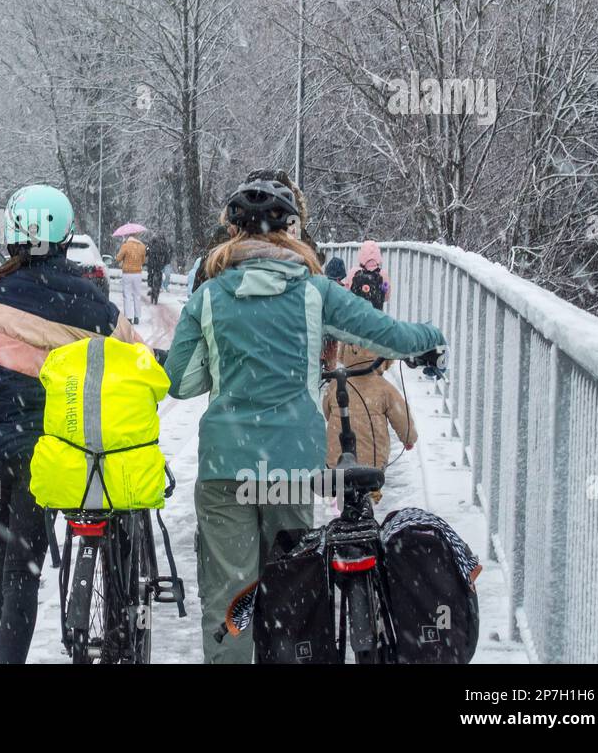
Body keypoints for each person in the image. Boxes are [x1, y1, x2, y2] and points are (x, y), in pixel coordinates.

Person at [162, 177, 445, 664]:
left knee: (231, 604)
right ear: (293, 231)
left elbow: (182, 383)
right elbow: (386, 334)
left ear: (232, 232)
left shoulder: (207, 297)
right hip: (289, 466)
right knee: (287, 595)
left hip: (226, 465)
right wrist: (432, 338)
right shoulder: (315, 293)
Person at [0, 184, 138, 664]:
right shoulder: (91, 302)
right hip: (45, 455)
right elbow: (134, 362)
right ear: (66, 235)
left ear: (13, 232)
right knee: (22, 568)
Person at [323, 342, 416, 504]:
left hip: (337, 461)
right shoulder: (384, 389)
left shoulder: (336, 384)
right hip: (371, 465)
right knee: (367, 497)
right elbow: (402, 419)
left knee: (342, 492)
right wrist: (408, 439)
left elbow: (326, 412)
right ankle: (369, 504)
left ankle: (340, 508)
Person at [343, 239, 391, 307]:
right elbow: (386, 297)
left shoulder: (353, 272)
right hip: (375, 314)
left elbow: (346, 294)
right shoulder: (383, 274)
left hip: (356, 312)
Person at [116, 233, 148, 325]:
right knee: (137, 295)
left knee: (127, 295)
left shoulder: (125, 245)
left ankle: (129, 317)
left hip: (127, 273)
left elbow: (118, 258)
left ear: (128, 237)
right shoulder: (142, 246)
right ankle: (137, 316)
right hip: (137, 273)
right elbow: (143, 261)